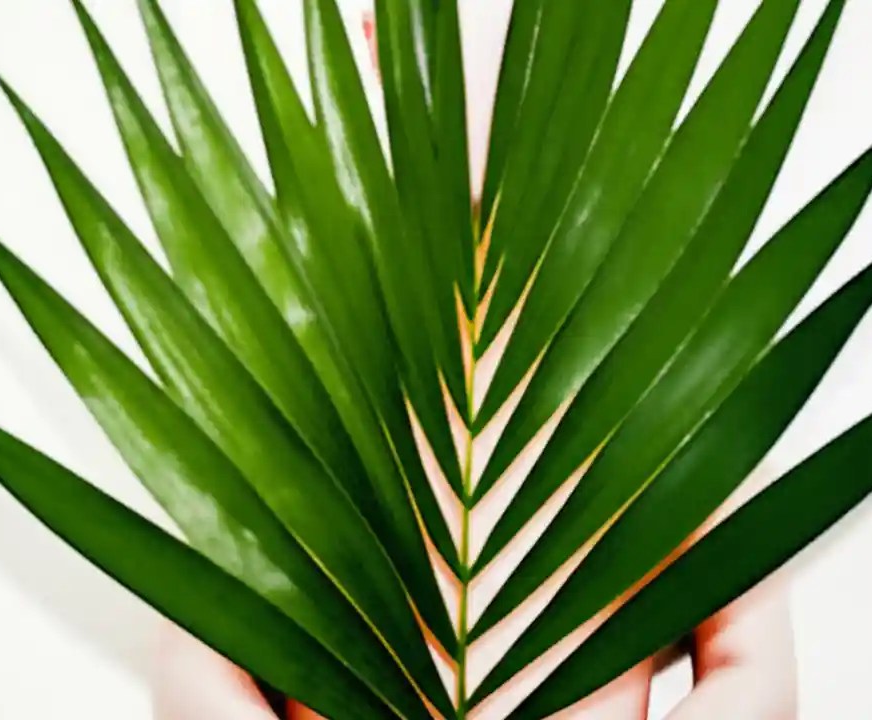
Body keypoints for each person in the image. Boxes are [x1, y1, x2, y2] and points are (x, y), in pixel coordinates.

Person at [155, 9, 797, 719]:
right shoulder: (311, 335)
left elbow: (752, 663)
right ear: (376, 39)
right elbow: (196, 650)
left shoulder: (650, 350)